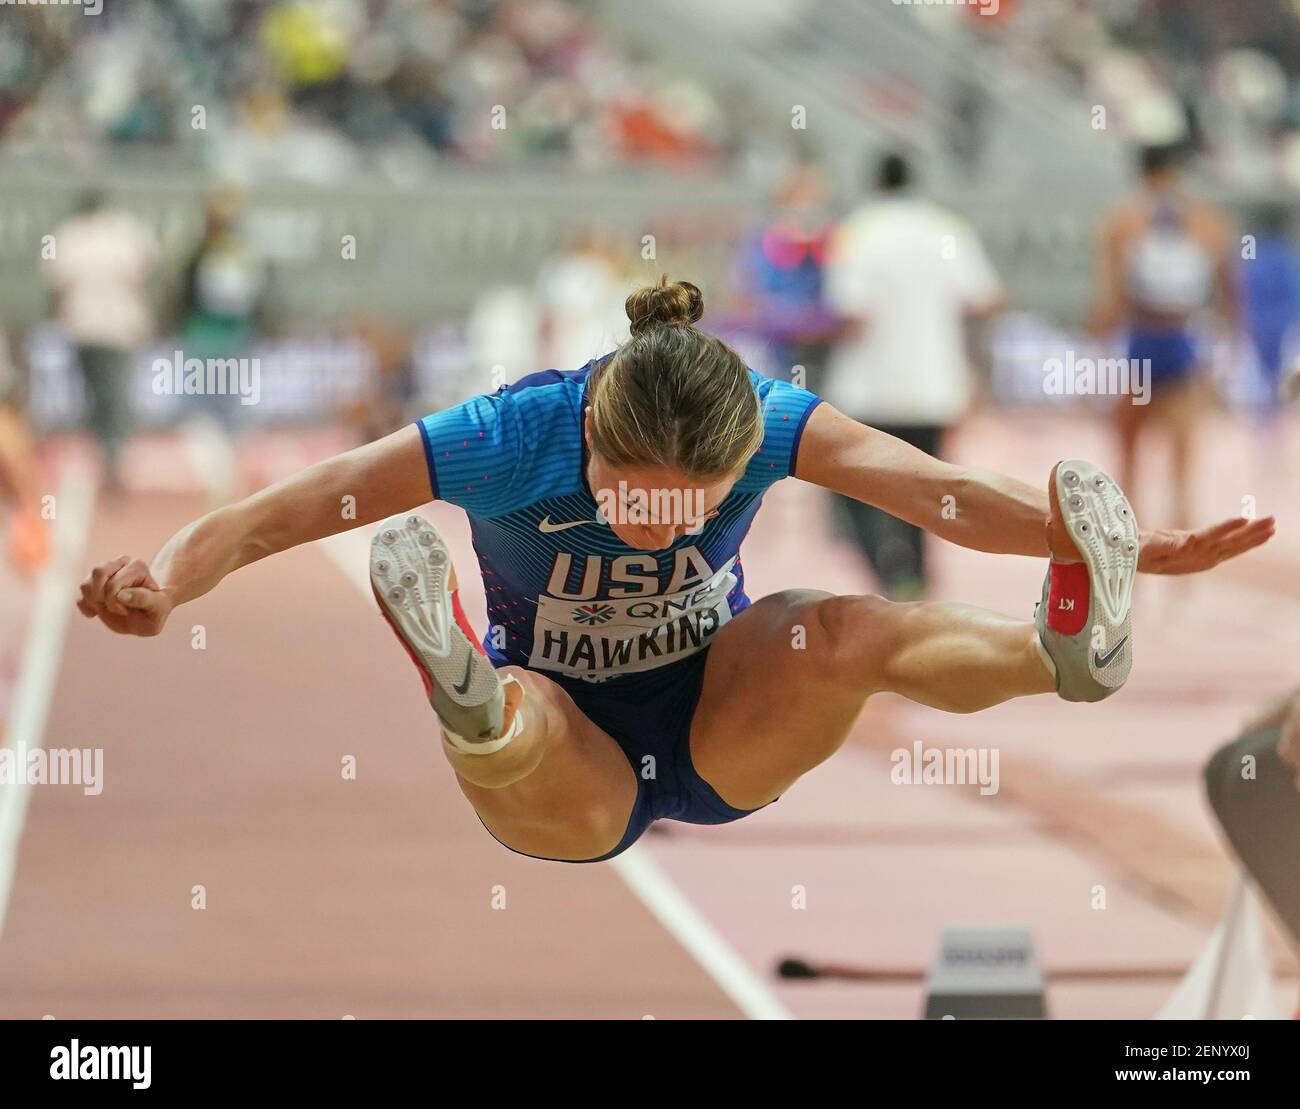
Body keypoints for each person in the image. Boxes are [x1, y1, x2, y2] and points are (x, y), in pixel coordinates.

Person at [77, 278, 1274, 864]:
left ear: (738, 458)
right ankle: (466, 691)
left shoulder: (770, 419)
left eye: (686, 511)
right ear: (591, 436)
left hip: (721, 714)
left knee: (842, 624)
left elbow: (942, 494)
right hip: (573, 765)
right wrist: (170, 580)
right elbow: (277, 513)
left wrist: (1088, 540)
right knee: (529, 717)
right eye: (629, 498)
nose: (652, 531)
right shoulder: (502, 437)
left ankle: (1064, 651)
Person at [823, 152, 1005, 600]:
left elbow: (851, 314)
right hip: (933, 384)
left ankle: (888, 572)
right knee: (923, 489)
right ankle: (916, 578)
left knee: (851, 488)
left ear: (873, 182)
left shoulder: (856, 231)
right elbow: (986, 300)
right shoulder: (946, 228)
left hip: (869, 388)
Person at [1091, 143, 1238, 530]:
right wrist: (1233, 340)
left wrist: (1098, 349)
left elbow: (1111, 296)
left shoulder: (1123, 221)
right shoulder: (1205, 220)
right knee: (1182, 453)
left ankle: (1128, 538)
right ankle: (1182, 541)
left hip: (1145, 337)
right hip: (1180, 336)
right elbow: (1229, 286)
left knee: (1130, 453)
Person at [46, 190, 158, 492]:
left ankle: (106, 450)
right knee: (117, 394)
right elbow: (146, 271)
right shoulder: (126, 231)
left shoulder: (68, 236)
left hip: (84, 328)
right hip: (121, 329)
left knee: (96, 394)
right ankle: (115, 452)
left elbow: (56, 283)